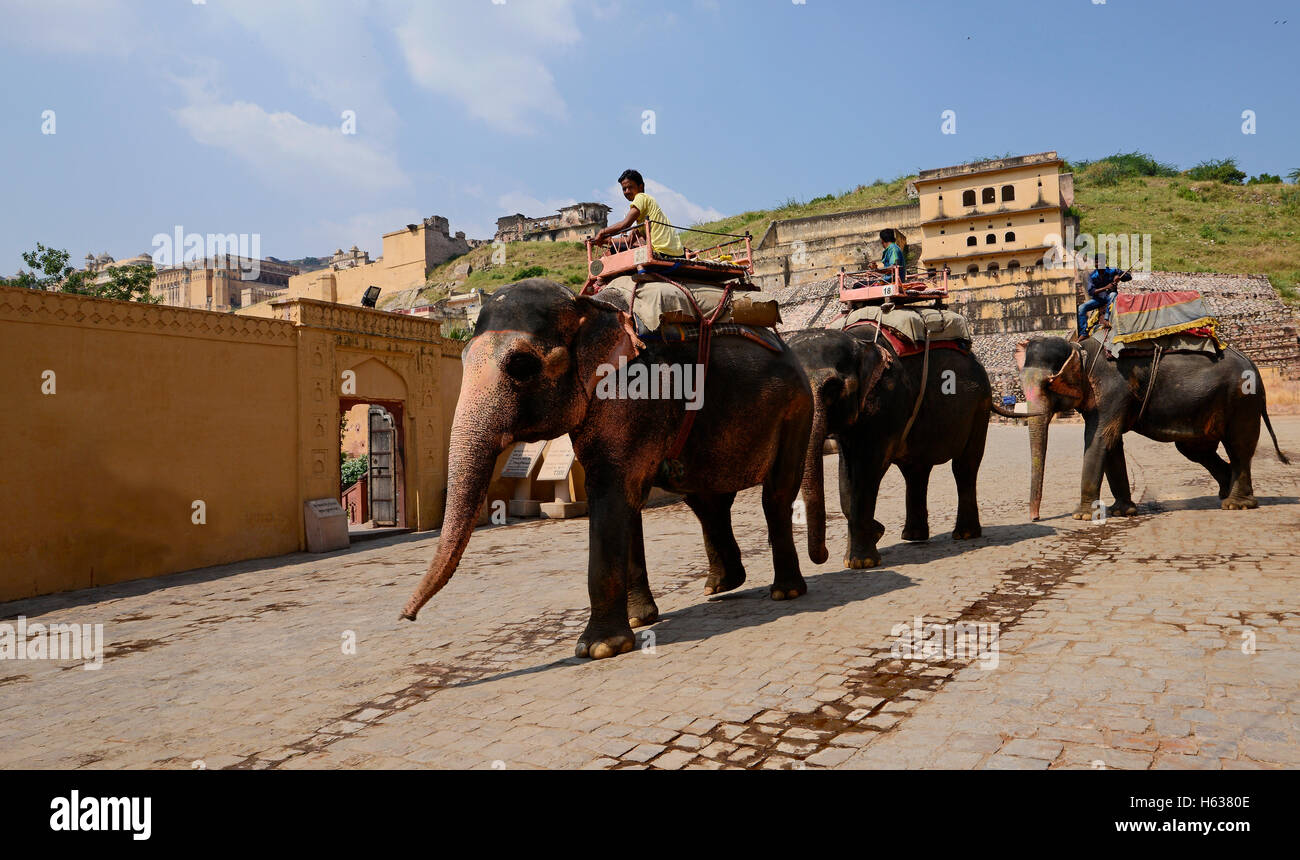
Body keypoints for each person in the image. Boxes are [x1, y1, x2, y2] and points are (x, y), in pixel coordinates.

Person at [592, 169, 685, 258]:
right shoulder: (644, 218)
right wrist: (602, 241)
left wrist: (602, 232)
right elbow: (628, 241)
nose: (627, 191)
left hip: (662, 251)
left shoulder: (641, 197)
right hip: (676, 252)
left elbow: (625, 224)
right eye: (624, 189)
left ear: (641, 186)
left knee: (614, 250)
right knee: (620, 247)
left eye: (630, 187)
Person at [1077, 252, 1131, 337]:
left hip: (1110, 298)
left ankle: (1106, 319)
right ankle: (1084, 333)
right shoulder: (1092, 276)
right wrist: (1106, 287)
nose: (1098, 264)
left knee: (1113, 294)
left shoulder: (1113, 271)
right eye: (1096, 262)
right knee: (1081, 308)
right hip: (1098, 300)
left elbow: (1129, 277)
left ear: (1105, 262)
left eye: (1100, 262)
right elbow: (1092, 292)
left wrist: (1119, 276)